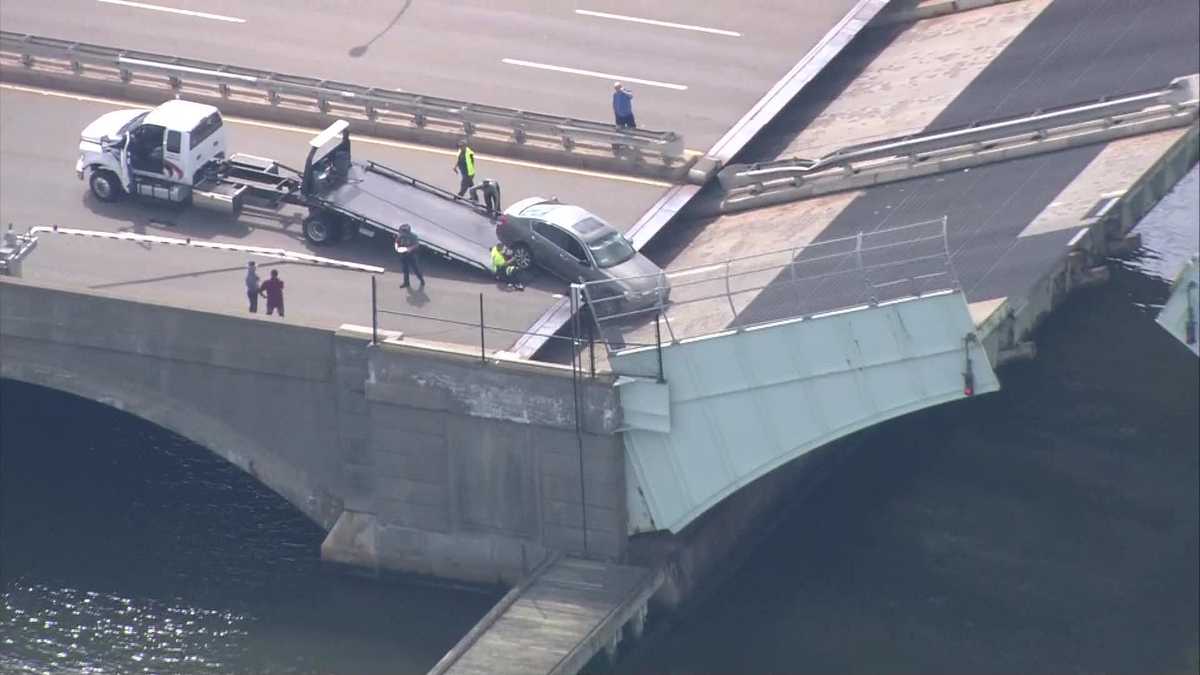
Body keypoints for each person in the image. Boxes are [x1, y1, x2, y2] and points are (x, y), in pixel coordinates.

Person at [394, 223, 425, 288]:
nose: (402, 233)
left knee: (416, 270)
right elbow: (397, 242)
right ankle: (406, 283)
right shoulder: (400, 235)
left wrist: (410, 248)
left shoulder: (413, 236)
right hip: (404, 254)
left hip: (412, 255)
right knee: (405, 270)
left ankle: (421, 280)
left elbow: (416, 245)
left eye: (403, 231)